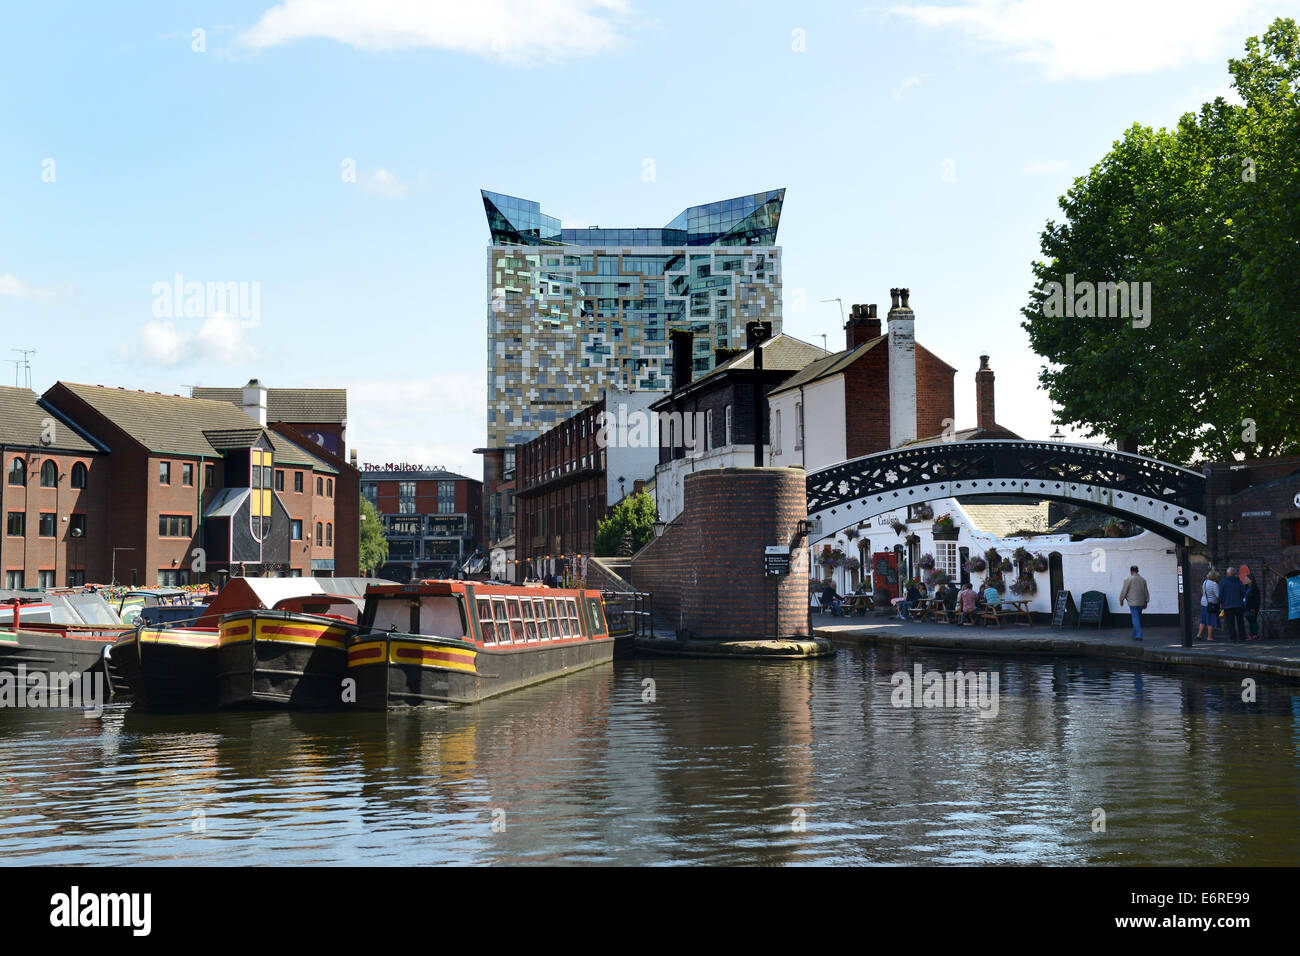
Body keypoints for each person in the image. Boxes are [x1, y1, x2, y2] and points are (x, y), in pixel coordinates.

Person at [1118, 565, 1149, 642]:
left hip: (1133, 602)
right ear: (1137, 571)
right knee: (1137, 618)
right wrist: (1146, 601)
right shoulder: (1143, 580)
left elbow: (1124, 590)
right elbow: (1146, 592)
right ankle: (1134, 634)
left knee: (1135, 619)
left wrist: (1121, 600)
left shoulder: (1128, 579)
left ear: (1131, 571)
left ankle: (1138, 635)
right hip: (1141, 602)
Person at [1219, 566, 1245, 642]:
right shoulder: (1239, 582)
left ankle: (1233, 637)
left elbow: (1221, 594)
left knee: (1230, 623)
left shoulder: (1223, 582)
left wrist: (1220, 603)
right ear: (1234, 574)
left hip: (1228, 605)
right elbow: (1243, 593)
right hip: (1239, 605)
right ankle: (1242, 637)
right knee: (1240, 622)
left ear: (1227, 573)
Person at [1196, 569, 1221, 642]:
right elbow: (1217, 595)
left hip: (1204, 603)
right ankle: (1209, 637)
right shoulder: (1214, 584)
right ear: (1214, 577)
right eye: (1217, 577)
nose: (1218, 578)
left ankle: (1199, 635)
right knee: (1210, 621)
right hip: (1211, 605)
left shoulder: (1205, 582)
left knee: (1203, 620)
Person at [1243, 573, 1260, 640]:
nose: (1246, 580)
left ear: (1251, 579)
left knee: (1253, 621)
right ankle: (1251, 634)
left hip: (1252, 607)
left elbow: (1257, 599)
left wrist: (1254, 607)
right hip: (1246, 606)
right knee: (1250, 621)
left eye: (1247, 579)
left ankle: (1255, 634)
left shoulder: (1255, 588)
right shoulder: (1246, 587)